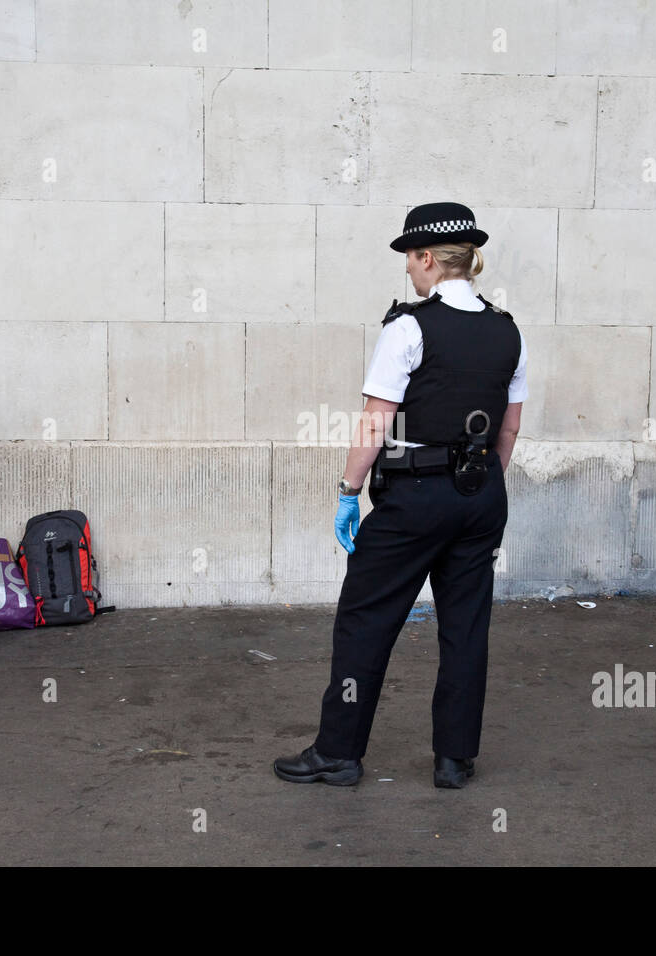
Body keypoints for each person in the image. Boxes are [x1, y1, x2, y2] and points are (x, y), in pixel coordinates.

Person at [274, 202, 527, 787]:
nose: (408, 271)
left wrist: (348, 490)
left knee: (366, 618)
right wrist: (484, 482)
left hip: (415, 496)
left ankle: (338, 753)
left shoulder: (409, 326)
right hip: (482, 493)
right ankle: (454, 760)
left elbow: (375, 419)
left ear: (428, 258)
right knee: (465, 625)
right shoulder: (506, 329)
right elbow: (509, 428)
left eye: (410, 259)